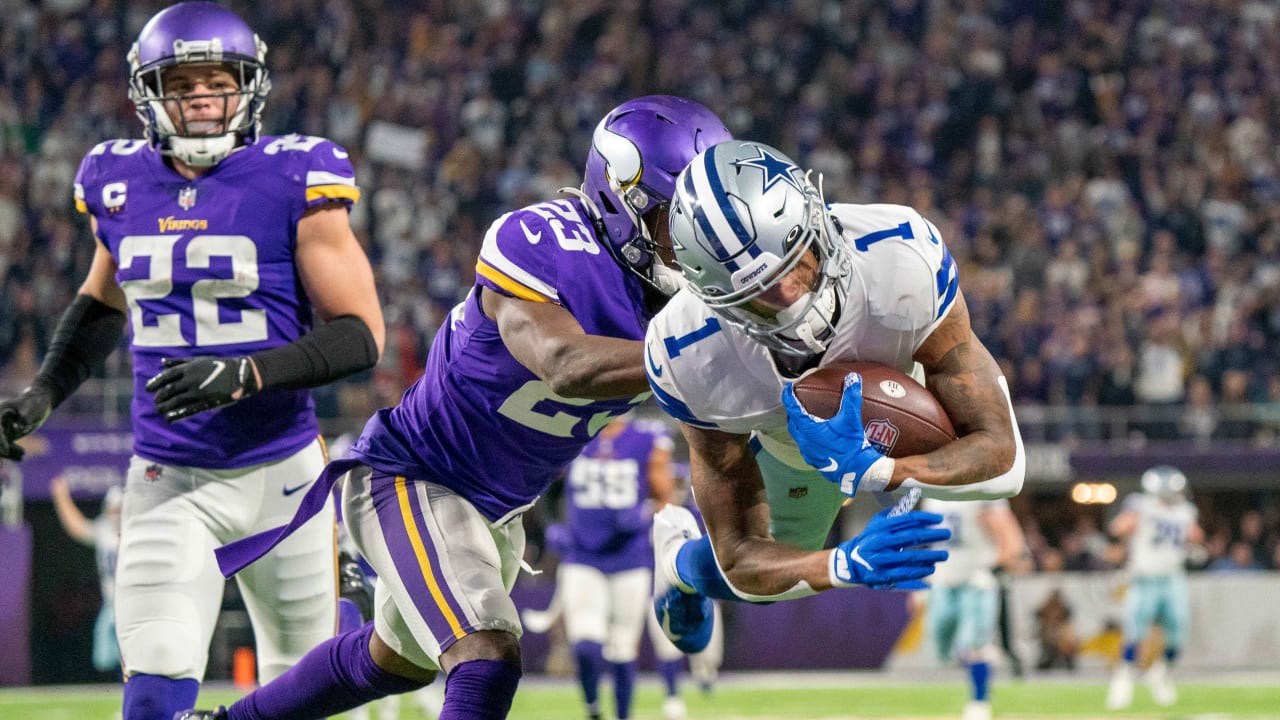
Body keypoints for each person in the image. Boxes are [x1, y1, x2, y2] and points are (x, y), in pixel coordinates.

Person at [178, 95, 733, 720]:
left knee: (389, 662)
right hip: (414, 478)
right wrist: (699, 352)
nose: (696, 243)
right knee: (486, 654)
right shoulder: (542, 238)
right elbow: (565, 364)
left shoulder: (689, 304)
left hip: (498, 511)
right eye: (678, 221)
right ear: (624, 197)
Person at [0, 4, 385, 719]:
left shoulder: (294, 175)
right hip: (166, 476)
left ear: (250, 88)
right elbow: (100, 304)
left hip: (283, 478)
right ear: (150, 94)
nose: (203, 97)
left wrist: (247, 373)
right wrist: (44, 392)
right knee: (151, 697)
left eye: (218, 81)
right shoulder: (117, 181)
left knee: (308, 700)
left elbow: (361, 333)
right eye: (182, 83)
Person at [643, 139, 1026, 654]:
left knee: (995, 481)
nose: (792, 304)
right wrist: (840, 565)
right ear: (715, 301)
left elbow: (1006, 457)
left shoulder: (900, 252)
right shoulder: (687, 348)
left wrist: (884, 472)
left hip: (905, 405)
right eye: (757, 298)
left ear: (817, 219)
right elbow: (739, 555)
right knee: (770, 581)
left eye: (795, 265)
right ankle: (677, 564)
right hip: (789, 445)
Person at [527, 414, 682, 720]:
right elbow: (543, 484)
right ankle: (593, 707)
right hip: (582, 556)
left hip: (630, 557)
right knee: (585, 644)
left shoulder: (645, 438)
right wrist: (552, 526)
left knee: (624, 648)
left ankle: (624, 715)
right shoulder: (575, 432)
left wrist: (646, 512)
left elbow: (666, 496)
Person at [919, 496, 1029, 720]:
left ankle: (979, 702)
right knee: (941, 645)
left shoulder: (985, 490)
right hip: (943, 578)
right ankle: (980, 654)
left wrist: (1006, 555)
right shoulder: (931, 494)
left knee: (975, 643)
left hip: (977, 577)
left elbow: (1009, 532)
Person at [1106, 465, 1203, 710]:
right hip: (1144, 578)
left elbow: (1196, 535)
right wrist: (1139, 519)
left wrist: (1193, 543)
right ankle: (1124, 677)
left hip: (1172, 577)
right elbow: (1118, 527)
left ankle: (1161, 672)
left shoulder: (1185, 511)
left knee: (1179, 633)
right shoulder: (1140, 505)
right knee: (1134, 633)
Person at [50, 476, 123, 674]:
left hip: (135, 604)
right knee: (104, 659)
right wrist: (61, 497)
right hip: (111, 605)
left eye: (120, 509)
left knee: (129, 657)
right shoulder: (105, 529)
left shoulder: (137, 530)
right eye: (114, 509)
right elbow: (78, 528)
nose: (116, 514)